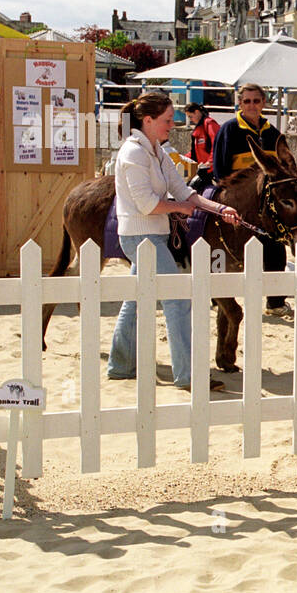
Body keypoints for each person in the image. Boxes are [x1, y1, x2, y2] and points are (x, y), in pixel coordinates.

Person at [108, 93, 242, 391]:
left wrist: (220, 209)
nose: (173, 124)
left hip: (153, 235)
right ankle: (189, 375)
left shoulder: (156, 151)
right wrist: (179, 209)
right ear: (148, 120)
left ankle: (120, 366)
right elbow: (146, 204)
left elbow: (184, 191)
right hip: (139, 236)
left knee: (135, 301)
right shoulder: (133, 153)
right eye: (168, 120)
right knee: (178, 297)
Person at [211, 83, 290, 313]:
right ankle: (218, 297)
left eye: (256, 101)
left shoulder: (273, 134)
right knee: (222, 248)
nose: (252, 105)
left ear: (264, 103)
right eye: (247, 101)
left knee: (276, 248)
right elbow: (220, 170)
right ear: (240, 103)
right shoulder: (229, 130)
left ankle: (275, 302)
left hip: (266, 207)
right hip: (237, 203)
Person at [184, 103, 221, 173]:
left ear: (197, 112)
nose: (190, 120)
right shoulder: (200, 127)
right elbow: (195, 151)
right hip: (204, 168)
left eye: (190, 116)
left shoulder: (209, 124)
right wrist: (183, 158)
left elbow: (217, 144)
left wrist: (210, 161)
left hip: (211, 168)